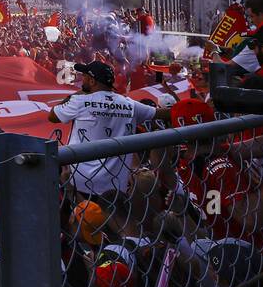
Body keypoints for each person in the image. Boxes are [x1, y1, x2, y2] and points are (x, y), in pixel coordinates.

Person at [48, 60, 171, 198]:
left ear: (92, 81)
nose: (82, 80)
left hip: (80, 182)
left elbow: (52, 116)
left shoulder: (79, 101)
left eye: (85, 77)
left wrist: (78, 93)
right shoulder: (129, 104)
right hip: (115, 186)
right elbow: (161, 113)